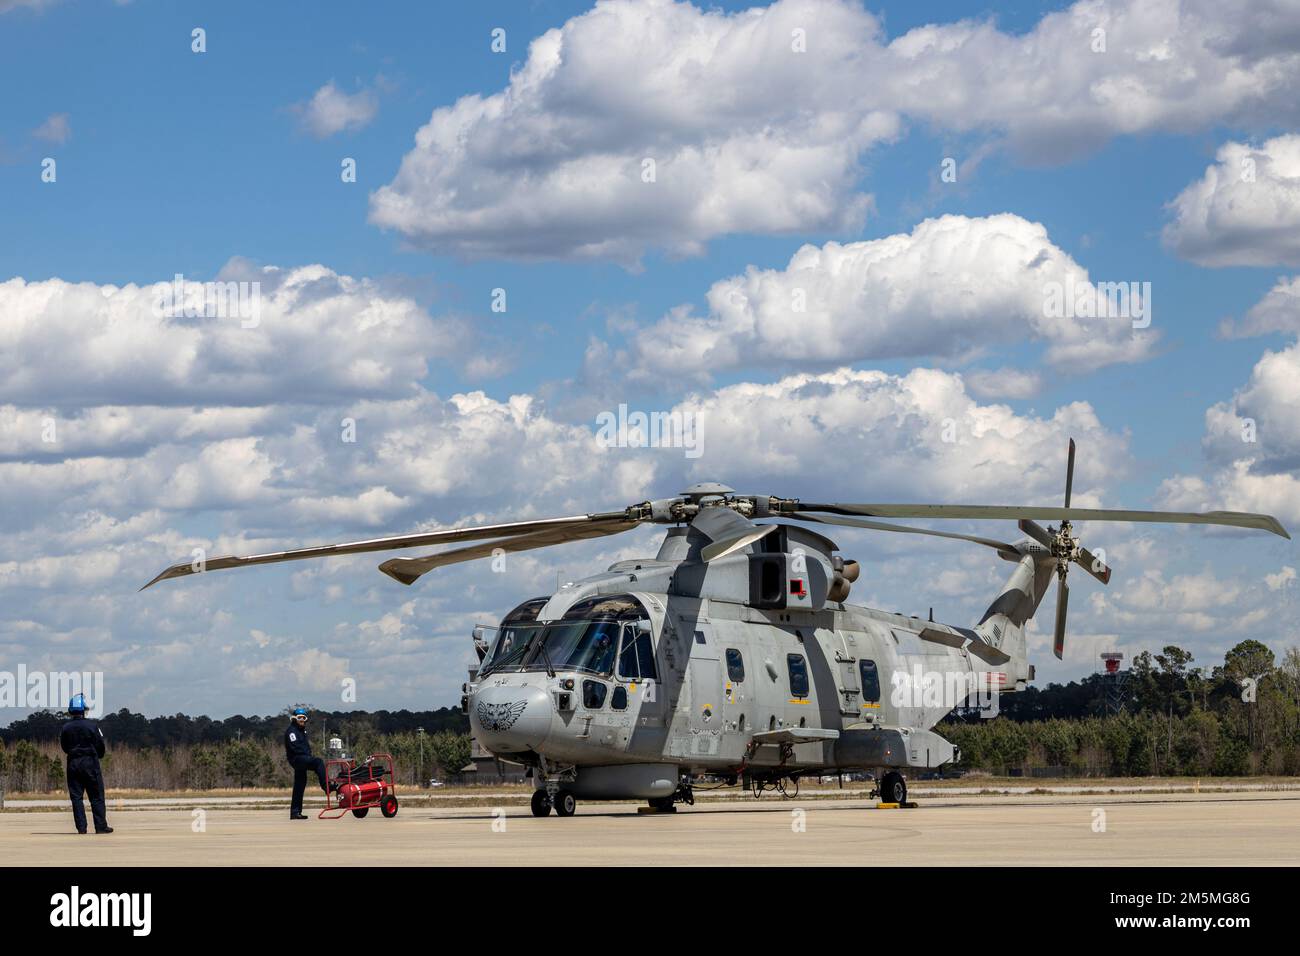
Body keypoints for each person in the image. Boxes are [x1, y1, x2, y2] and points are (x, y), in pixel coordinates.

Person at [60, 694, 112, 834]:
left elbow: (64, 747)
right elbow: (100, 746)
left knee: (76, 797)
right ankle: (100, 826)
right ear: (83, 709)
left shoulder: (66, 728)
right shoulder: (92, 726)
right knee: (96, 796)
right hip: (90, 763)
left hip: (73, 764)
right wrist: (97, 756)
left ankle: (81, 828)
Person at [284, 707, 327, 820]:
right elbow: (296, 748)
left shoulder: (301, 731)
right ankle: (326, 786)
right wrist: (309, 758)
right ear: (294, 719)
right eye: (300, 718)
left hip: (303, 758)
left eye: (304, 718)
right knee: (318, 762)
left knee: (299, 785)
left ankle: (295, 812)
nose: (302, 720)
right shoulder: (291, 732)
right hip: (298, 759)